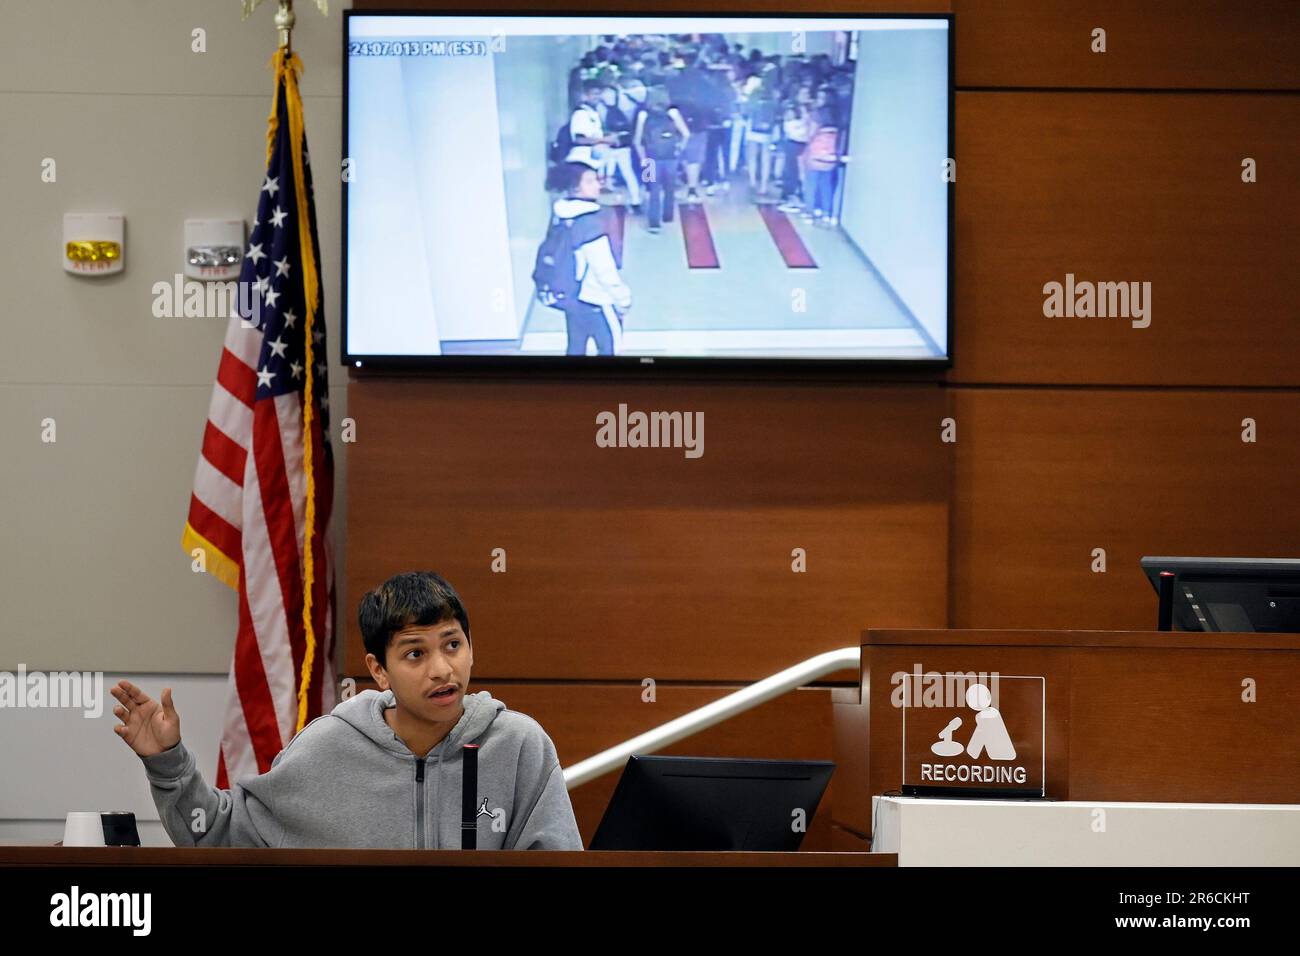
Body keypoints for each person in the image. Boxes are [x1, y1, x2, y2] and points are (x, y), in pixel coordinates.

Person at [112, 571, 583, 850]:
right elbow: (216, 833)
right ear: (379, 671)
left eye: (453, 645)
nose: (442, 669)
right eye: (416, 654)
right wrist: (167, 761)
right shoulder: (328, 746)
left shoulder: (519, 745)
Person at [545, 160, 631, 355]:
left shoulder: (561, 214)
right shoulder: (590, 222)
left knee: (575, 348)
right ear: (576, 187)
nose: (598, 185)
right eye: (590, 181)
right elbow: (604, 269)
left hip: (572, 296)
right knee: (611, 349)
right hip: (597, 299)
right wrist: (623, 299)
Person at [634, 85, 690, 234]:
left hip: (650, 158)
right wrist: (679, 149)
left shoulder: (643, 115)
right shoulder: (673, 113)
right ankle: (668, 215)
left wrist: (642, 157)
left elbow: (637, 140)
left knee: (653, 189)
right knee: (670, 187)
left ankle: (654, 223)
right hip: (671, 157)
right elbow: (686, 134)